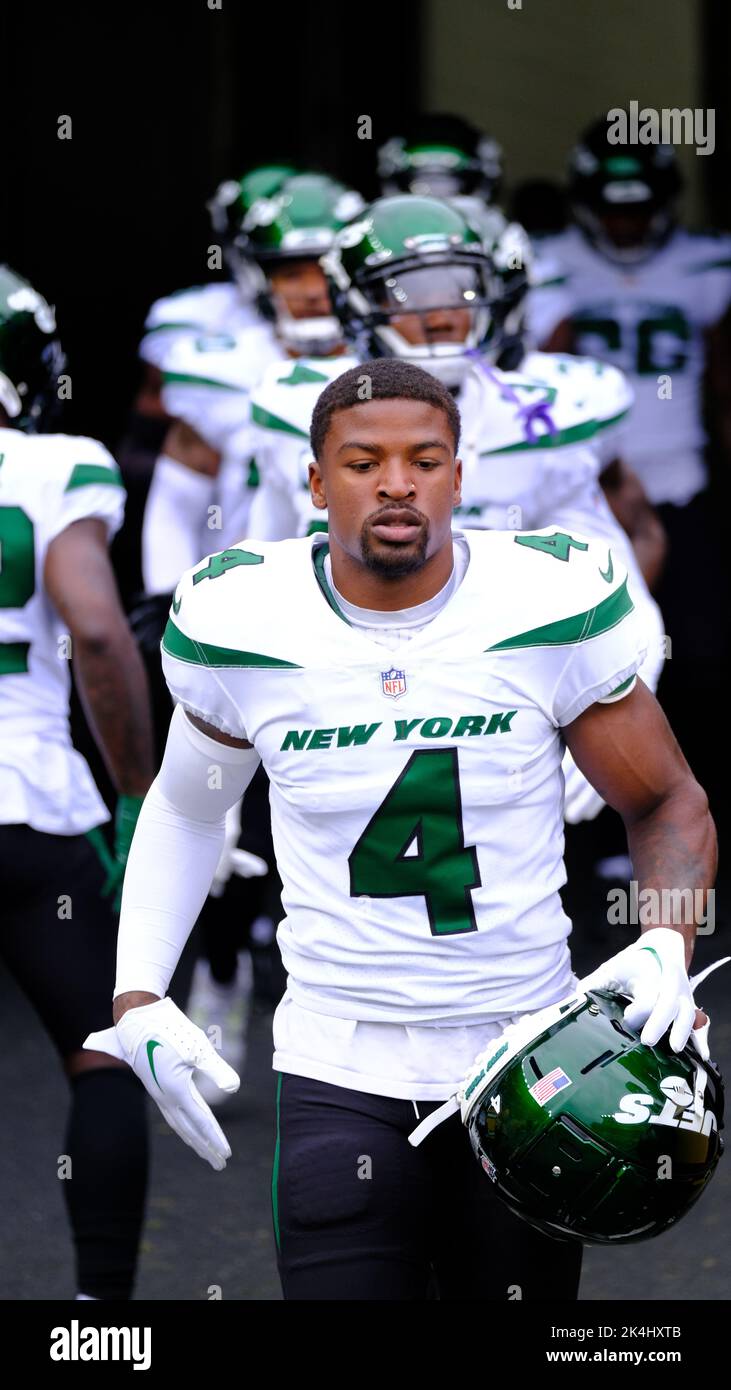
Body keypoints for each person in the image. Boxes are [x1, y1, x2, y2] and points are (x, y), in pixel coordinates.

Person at [87, 359, 714, 1301]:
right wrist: (137, 994)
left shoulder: (544, 603)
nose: (395, 482)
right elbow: (186, 805)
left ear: (459, 478)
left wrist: (665, 937)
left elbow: (664, 798)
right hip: (338, 1058)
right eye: (362, 460)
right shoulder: (243, 619)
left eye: (424, 460)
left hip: (528, 1061)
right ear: (313, 481)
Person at [0, 266, 155, 1299]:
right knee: (106, 1053)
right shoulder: (53, 464)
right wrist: (141, 788)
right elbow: (97, 632)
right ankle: (101, 1314)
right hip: (29, 800)